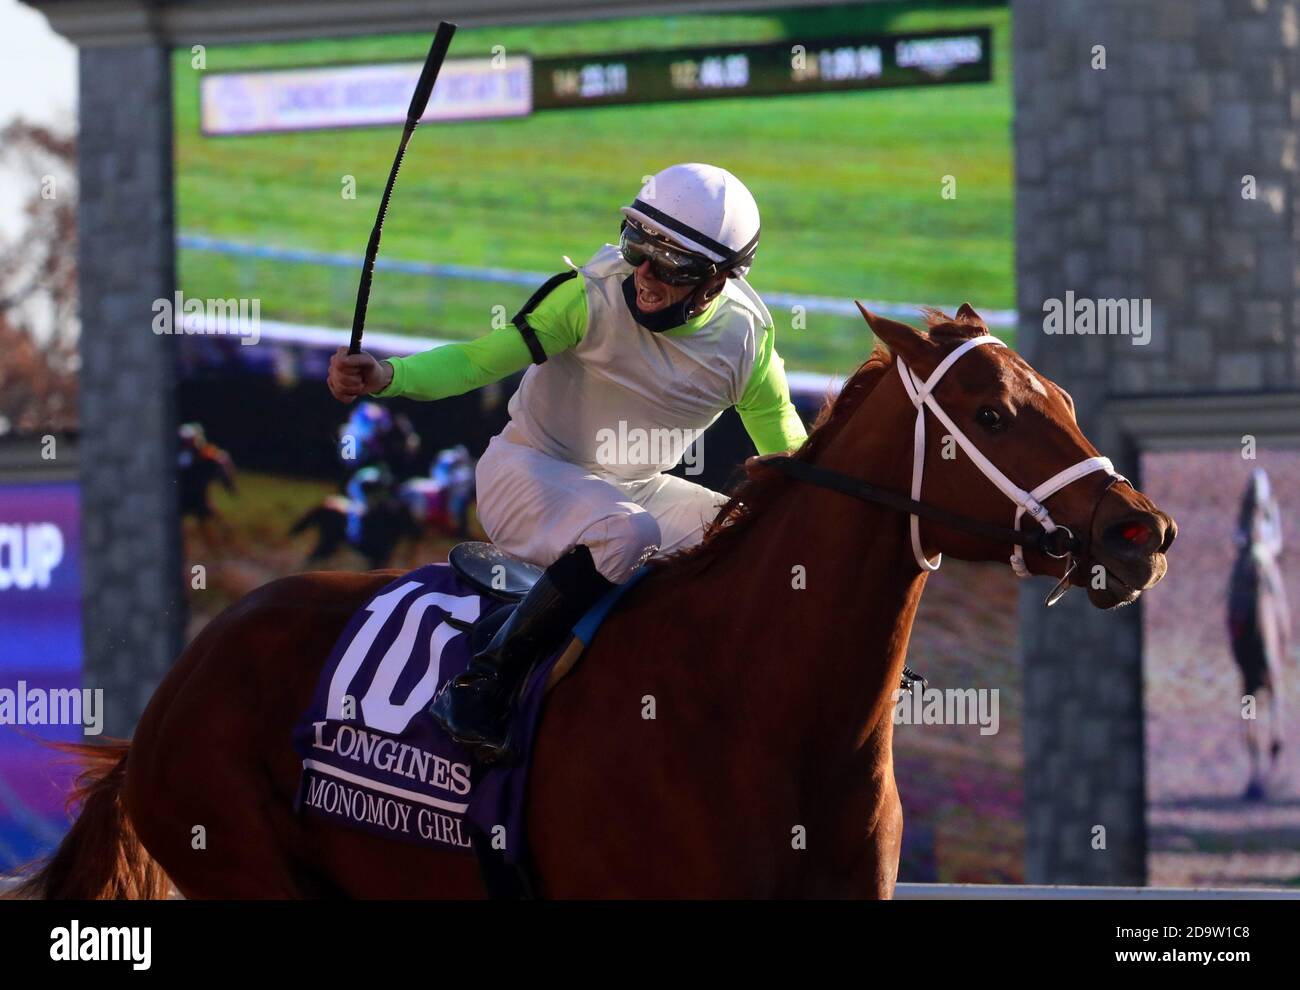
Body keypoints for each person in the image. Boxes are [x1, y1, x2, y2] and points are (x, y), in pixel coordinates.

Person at [328, 163, 807, 762]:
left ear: (719, 280)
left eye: (673, 267)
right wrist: (387, 376)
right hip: (526, 473)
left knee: (748, 529)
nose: (645, 277)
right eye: (637, 247)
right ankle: (484, 681)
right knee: (630, 530)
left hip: (633, 488)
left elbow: (790, 459)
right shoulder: (587, 295)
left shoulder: (747, 342)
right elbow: (478, 361)